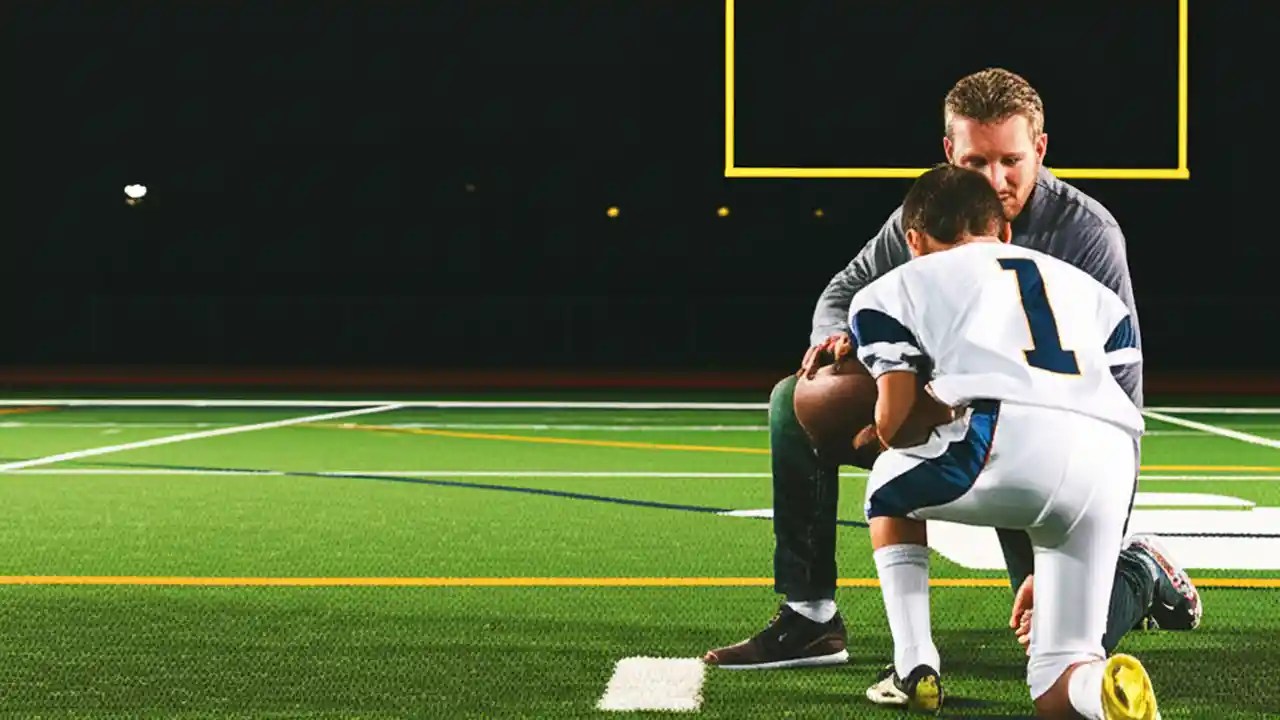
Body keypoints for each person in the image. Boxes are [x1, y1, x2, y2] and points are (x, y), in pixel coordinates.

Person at [704, 68, 1200, 670]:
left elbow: (1122, 402)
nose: (993, 180)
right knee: (797, 400)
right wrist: (836, 335)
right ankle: (810, 616)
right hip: (950, 417)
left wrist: (1098, 523)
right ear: (948, 152)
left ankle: (1138, 571)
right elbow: (850, 286)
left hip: (1041, 438)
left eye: (1011, 161)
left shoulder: (1087, 236)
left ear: (1040, 149)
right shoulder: (935, 212)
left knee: (1062, 640)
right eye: (975, 163)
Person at [849, 163, 1158, 717]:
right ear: (1004, 231)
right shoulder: (1088, 289)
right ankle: (1100, 690)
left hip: (1007, 442)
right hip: (1110, 458)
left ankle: (913, 662)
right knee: (1058, 680)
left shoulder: (895, 286)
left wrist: (907, 422)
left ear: (912, 239)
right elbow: (1114, 377)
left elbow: (895, 424)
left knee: (886, 482)